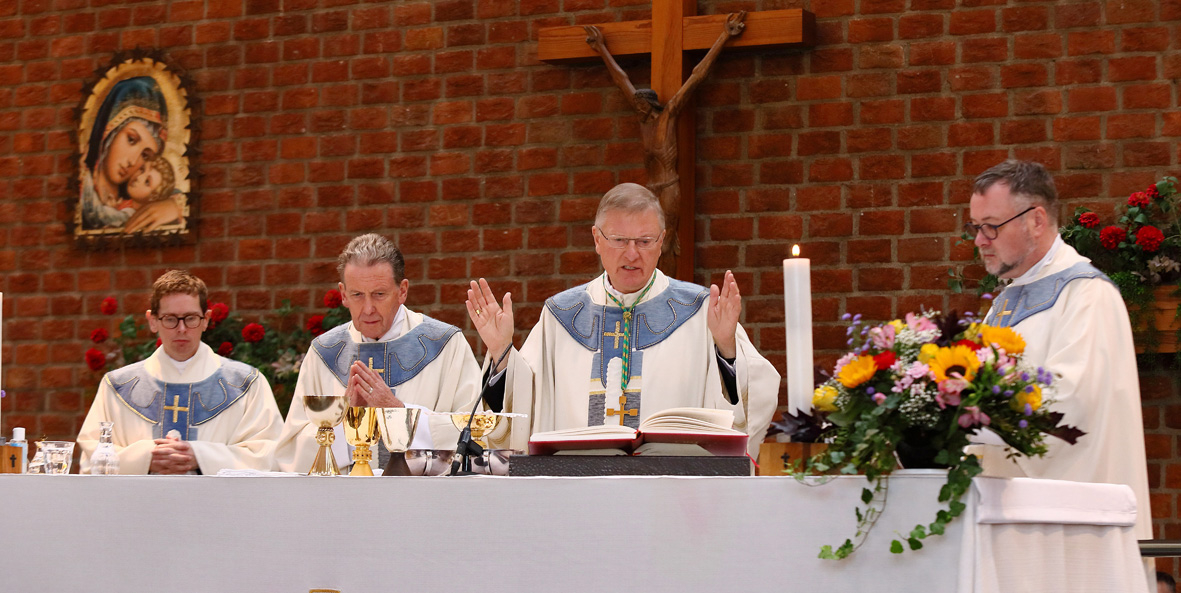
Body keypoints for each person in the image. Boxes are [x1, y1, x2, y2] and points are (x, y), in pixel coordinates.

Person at [467, 183, 780, 455]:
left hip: (670, 493)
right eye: (619, 240)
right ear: (597, 239)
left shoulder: (700, 311)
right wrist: (502, 354)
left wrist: (725, 347)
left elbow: (754, 401)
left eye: (644, 241)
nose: (632, 254)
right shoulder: (560, 316)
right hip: (576, 488)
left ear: (662, 241)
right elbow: (521, 410)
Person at [965, 160, 1152, 543]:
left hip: (1069, 529)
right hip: (1007, 519)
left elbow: (1070, 403)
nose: (979, 240)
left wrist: (965, 417)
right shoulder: (1004, 301)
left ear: (1035, 220)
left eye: (991, 226)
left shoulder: (1086, 295)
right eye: (974, 227)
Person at [272, 234, 485, 473]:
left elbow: (476, 437)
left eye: (379, 294)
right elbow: (290, 454)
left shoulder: (445, 346)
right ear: (343, 294)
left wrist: (398, 414)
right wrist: (345, 422)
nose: (368, 309)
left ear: (402, 290)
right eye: (357, 295)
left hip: (421, 503)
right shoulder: (324, 353)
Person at [77, 270, 283, 474]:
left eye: (191, 318)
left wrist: (201, 456)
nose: (182, 329)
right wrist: (145, 457)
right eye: (170, 319)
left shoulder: (245, 384)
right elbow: (91, 461)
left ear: (206, 320)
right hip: (138, 505)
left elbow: (269, 456)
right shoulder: (118, 386)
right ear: (153, 321)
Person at [79, 76, 168, 230]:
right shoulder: (81, 186)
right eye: (131, 140)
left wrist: (173, 207)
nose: (132, 162)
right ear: (110, 131)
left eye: (145, 156)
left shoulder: (139, 204)